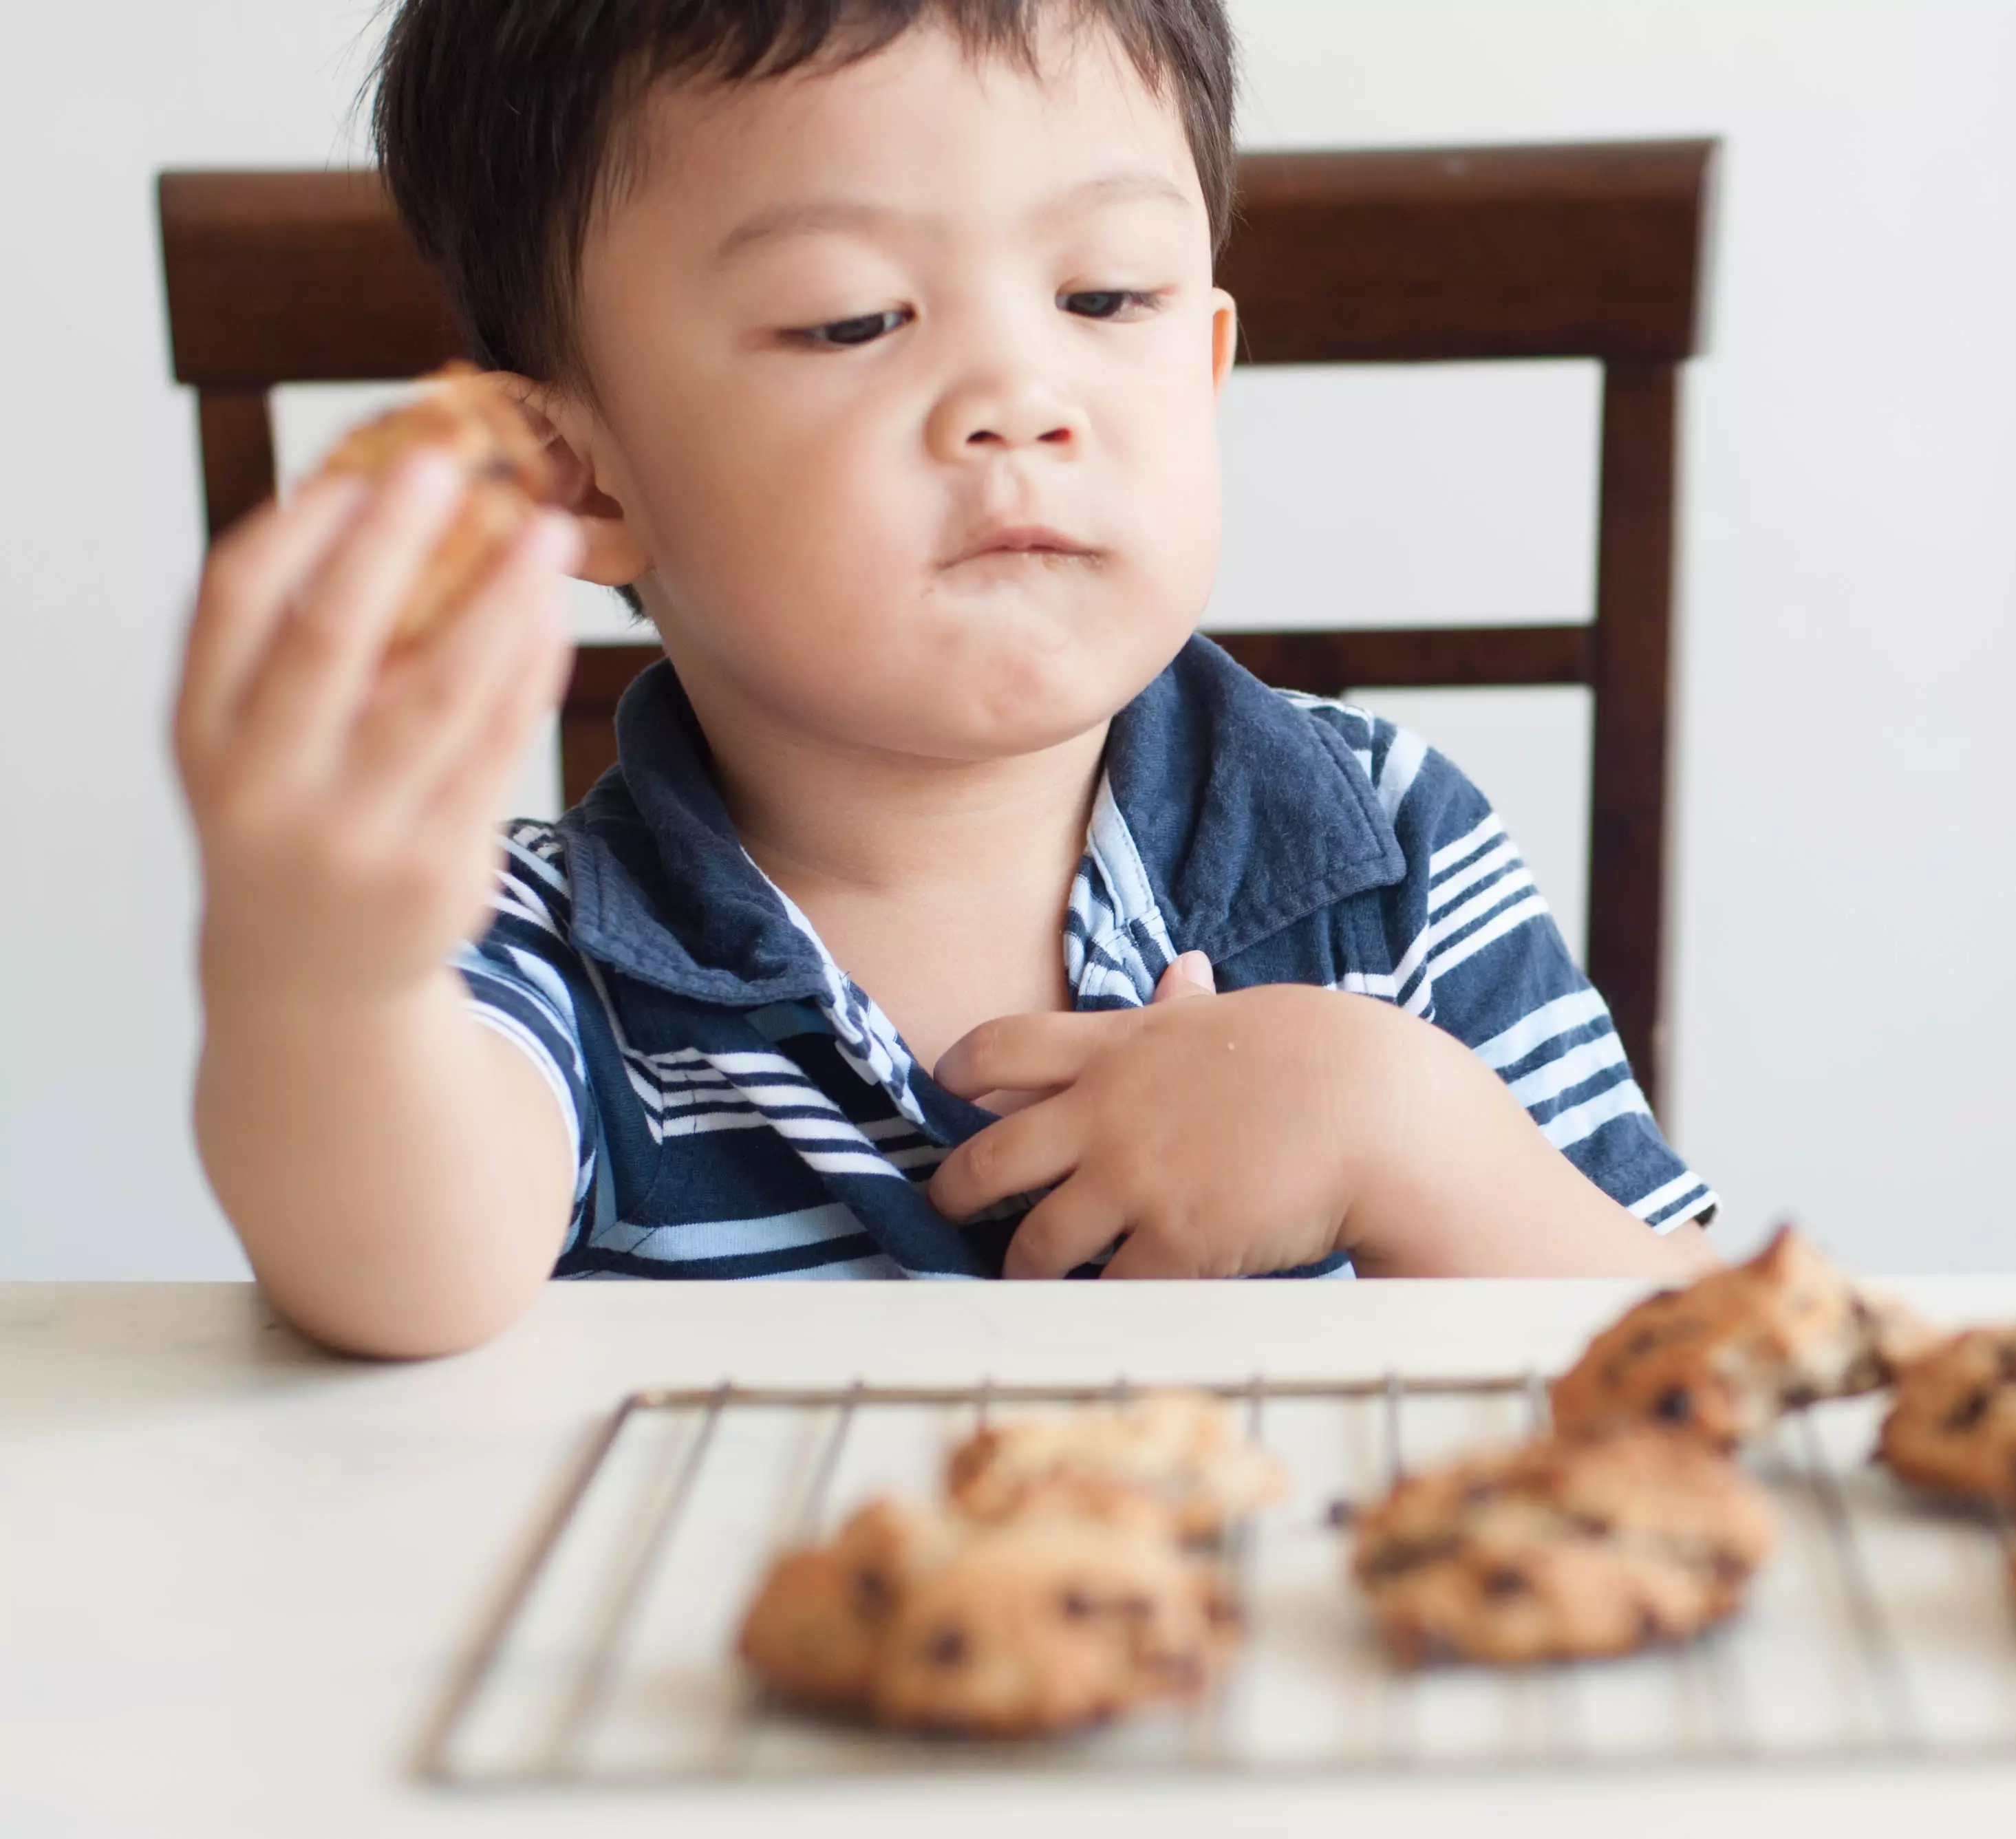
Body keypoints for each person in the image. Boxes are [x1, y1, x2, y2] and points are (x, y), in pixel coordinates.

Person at [172, 0, 1717, 1359]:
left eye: (1106, 296)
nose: (1019, 399)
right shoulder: (564, 962)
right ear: (578, 479)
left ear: (1205, 360)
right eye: (851, 318)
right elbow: (398, 1281)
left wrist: (1404, 1133)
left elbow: (1697, 1338)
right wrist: (323, 983)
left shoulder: (1380, 851)